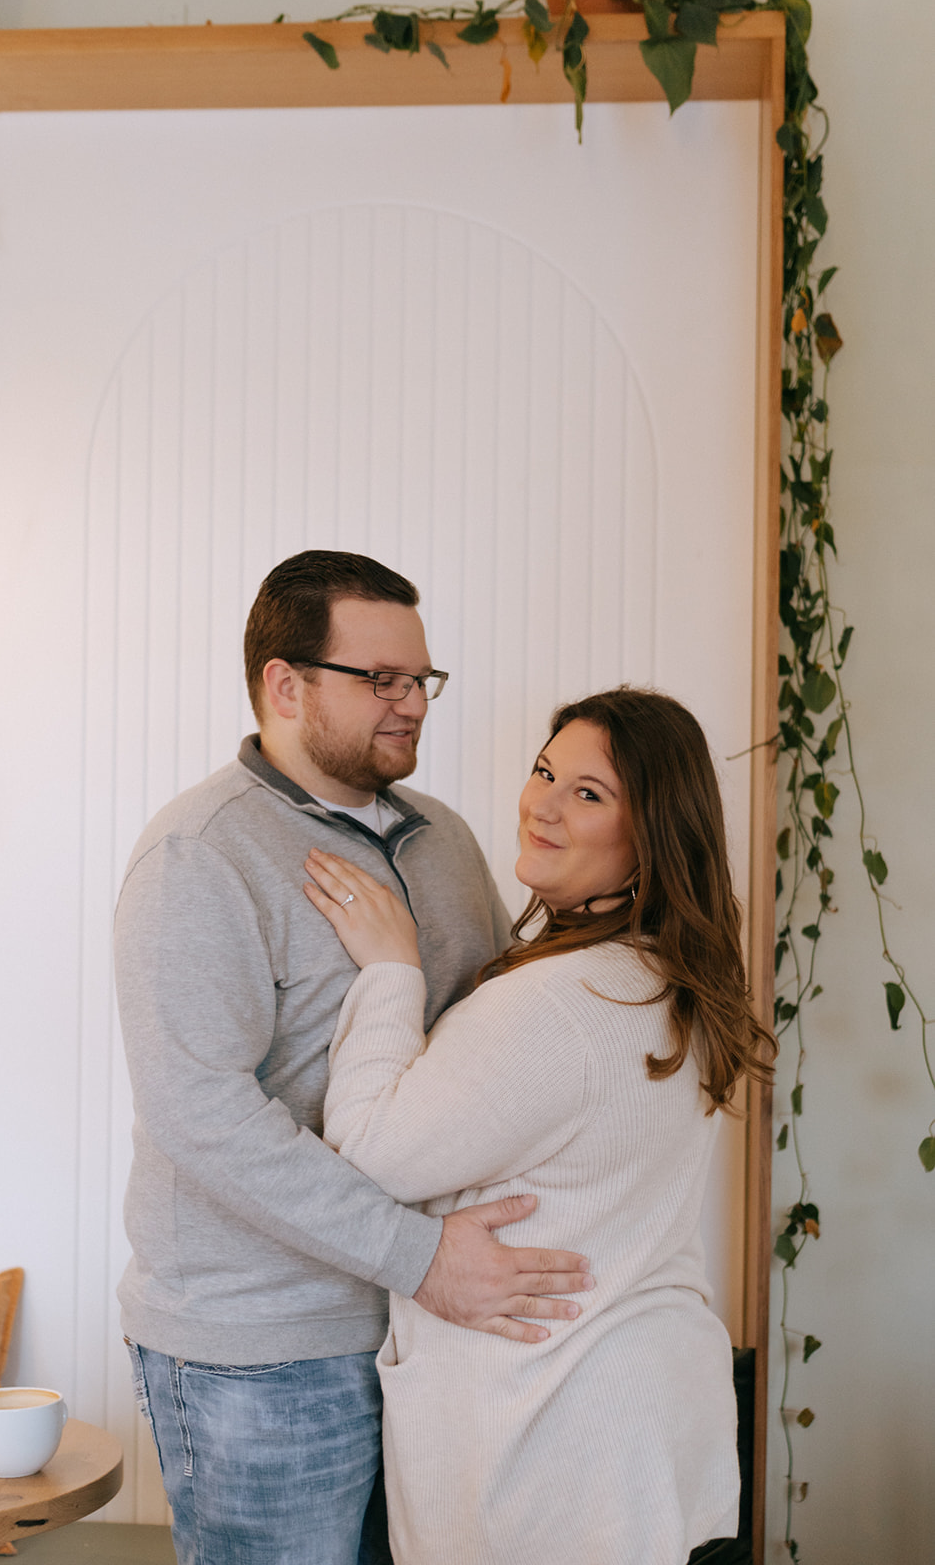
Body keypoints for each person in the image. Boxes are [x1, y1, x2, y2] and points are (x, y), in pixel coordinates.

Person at [113, 550, 594, 1565]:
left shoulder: (448, 843)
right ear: (284, 684)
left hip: (426, 1336)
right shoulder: (199, 855)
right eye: (378, 678)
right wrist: (420, 1258)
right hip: (261, 1359)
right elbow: (203, 1118)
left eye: (420, 677)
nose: (412, 702)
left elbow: (487, 1058)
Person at [304, 686, 779, 1565]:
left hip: (555, 1444)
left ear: (650, 838)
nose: (543, 805)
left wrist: (390, 971)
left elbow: (367, 1154)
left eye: (588, 794)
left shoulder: (556, 1004)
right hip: (655, 1423)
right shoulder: (673, 981)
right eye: (544, 771)